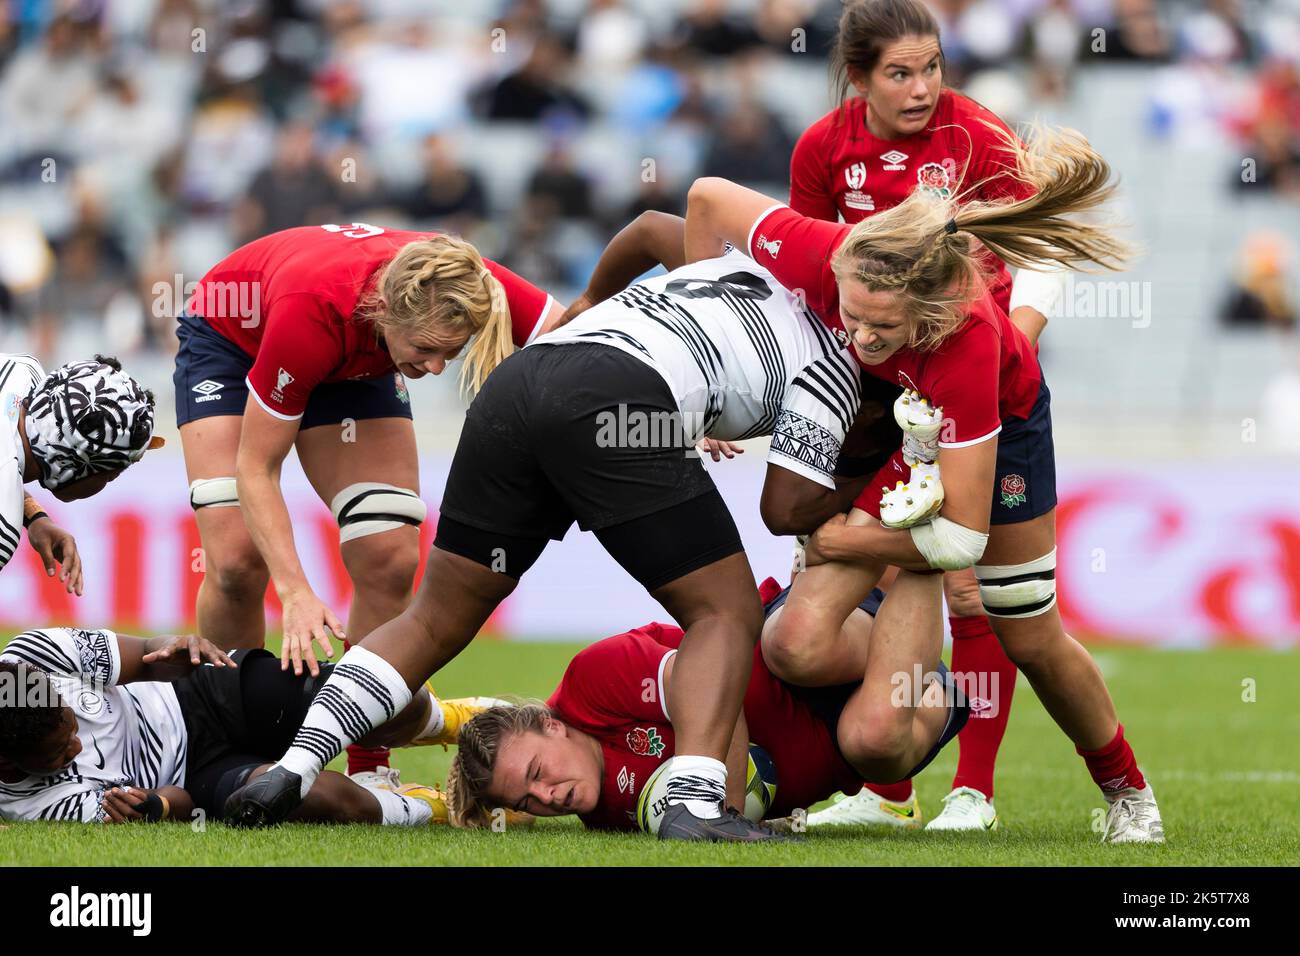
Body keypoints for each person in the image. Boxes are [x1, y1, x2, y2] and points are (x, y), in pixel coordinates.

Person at [222, 219, 878, 842]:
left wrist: (594, 298)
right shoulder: (843, 353)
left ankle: (296, 766)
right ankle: (696, 805)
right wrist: (877, 483)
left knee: (432, 618)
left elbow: (652, 223)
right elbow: (784, 509)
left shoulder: (750, 261)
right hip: (617, 396)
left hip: (519, 384)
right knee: (723, 611)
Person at [682, 122, 1165, 844]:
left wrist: (853, 536)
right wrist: (712, 367)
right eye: (853, 317)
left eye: (884, 326)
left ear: (928, 310)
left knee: (1026, 630)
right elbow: (705, 200)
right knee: (797, 646)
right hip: (888, 426)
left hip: (997, 428)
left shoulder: (967, 342)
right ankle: (906, 729)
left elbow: (963, 532)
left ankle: (1126, 789)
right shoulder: (827, 254)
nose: (864, 337)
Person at [787, 0, 1064, 831]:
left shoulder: (977, 134)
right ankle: (890, 786)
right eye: (900, 74)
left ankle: (974, 791)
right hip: (876, 395)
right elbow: (805, 282)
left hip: (978, 389)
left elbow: (1043, 248)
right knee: (859, 582)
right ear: (858, 78)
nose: (921, 88)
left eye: (932, 67)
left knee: (973, 587)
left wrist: (1005, 346)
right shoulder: (823, 148)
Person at [175, 223, 561, 786]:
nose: (435, 370)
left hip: (360, 355)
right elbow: (258, 468)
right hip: (236, 344)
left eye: (450, 355)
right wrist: (296, 592)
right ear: (386, 308)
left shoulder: (462, 279)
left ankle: (369, 759)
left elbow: (578, 335)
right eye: (428, 351)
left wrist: (674, 402)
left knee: (389, 553)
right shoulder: (316, 307)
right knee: (236, 561)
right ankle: (232, 744)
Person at [446, 575, 967, 831]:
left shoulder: (591, 682)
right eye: (526, 801)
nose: (547, 796)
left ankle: (877, 532)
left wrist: (725, 820)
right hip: (859, 731)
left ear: (549, 725)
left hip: (815, 655)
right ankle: (920, 559)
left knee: (791, 646)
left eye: (537, 771)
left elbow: (715, 689)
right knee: (874, 739)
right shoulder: (602, 815)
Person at [0, 625, 504, 826]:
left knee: (386, 702)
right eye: (59, 751)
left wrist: (180, 649)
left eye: (71, 722)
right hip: (196, 775)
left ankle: (447, 721)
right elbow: (183, 802)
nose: (76, 741)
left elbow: (151, 660)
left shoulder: (33, 655)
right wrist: (153, 806)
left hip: (200, 695)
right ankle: (439, 807)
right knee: (315, 799)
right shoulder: (29, 805)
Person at [2, 353, 162, 594]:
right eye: (110, 476)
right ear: (73, 464)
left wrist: (34, 515)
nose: (108, 482)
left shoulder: (22, 372)